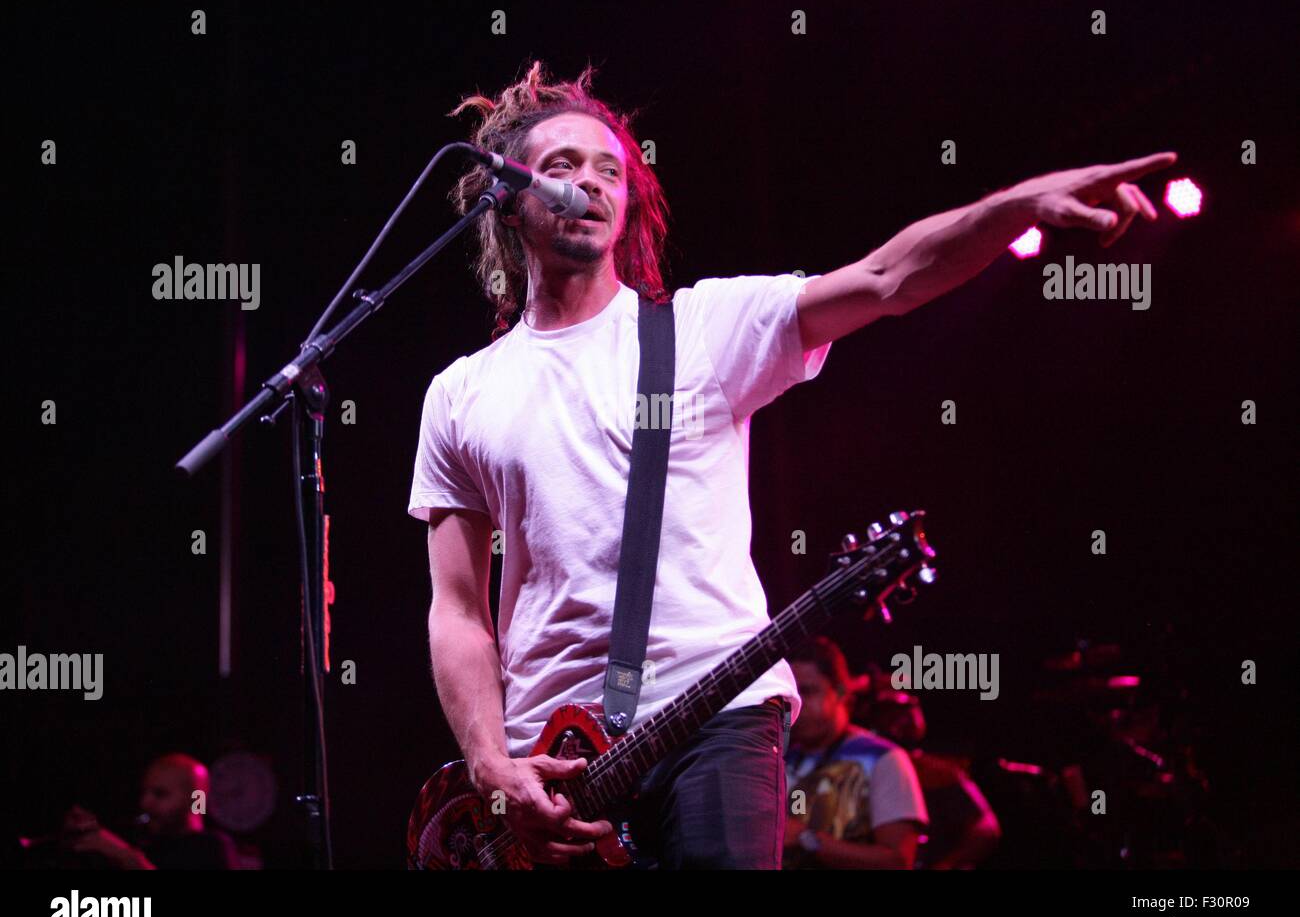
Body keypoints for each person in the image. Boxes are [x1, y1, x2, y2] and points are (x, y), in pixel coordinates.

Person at [410, 60, 1176, 868]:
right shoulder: (462, 394)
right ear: (506, 199)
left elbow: (887, 277)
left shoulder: (701, 330)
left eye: (609, 170)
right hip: (553, 756)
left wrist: (1014, 206)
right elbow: (458, 611)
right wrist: (491, 765)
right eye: (561, 168)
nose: (590, 185)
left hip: (719, 717)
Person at [783, 638, 928, 868]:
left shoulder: (884, 758)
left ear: (840, 692)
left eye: (807, 691)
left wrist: (806, 839)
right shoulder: (783, 756)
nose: (796, 705)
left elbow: (899, 861)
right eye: (790, 695)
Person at [867, 690, 1002, 869]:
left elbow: (986, 829)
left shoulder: (938, 773)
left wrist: (947, 864)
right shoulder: (860, 770)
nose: (897, 722)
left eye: (903, 713)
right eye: (888, 714)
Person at [63, 753, 236, 870]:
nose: (145, 802)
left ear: (197, 799)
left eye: (160, 794)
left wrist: (130, 859)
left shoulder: (212, 847)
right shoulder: (146, 842)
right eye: (144, 792)